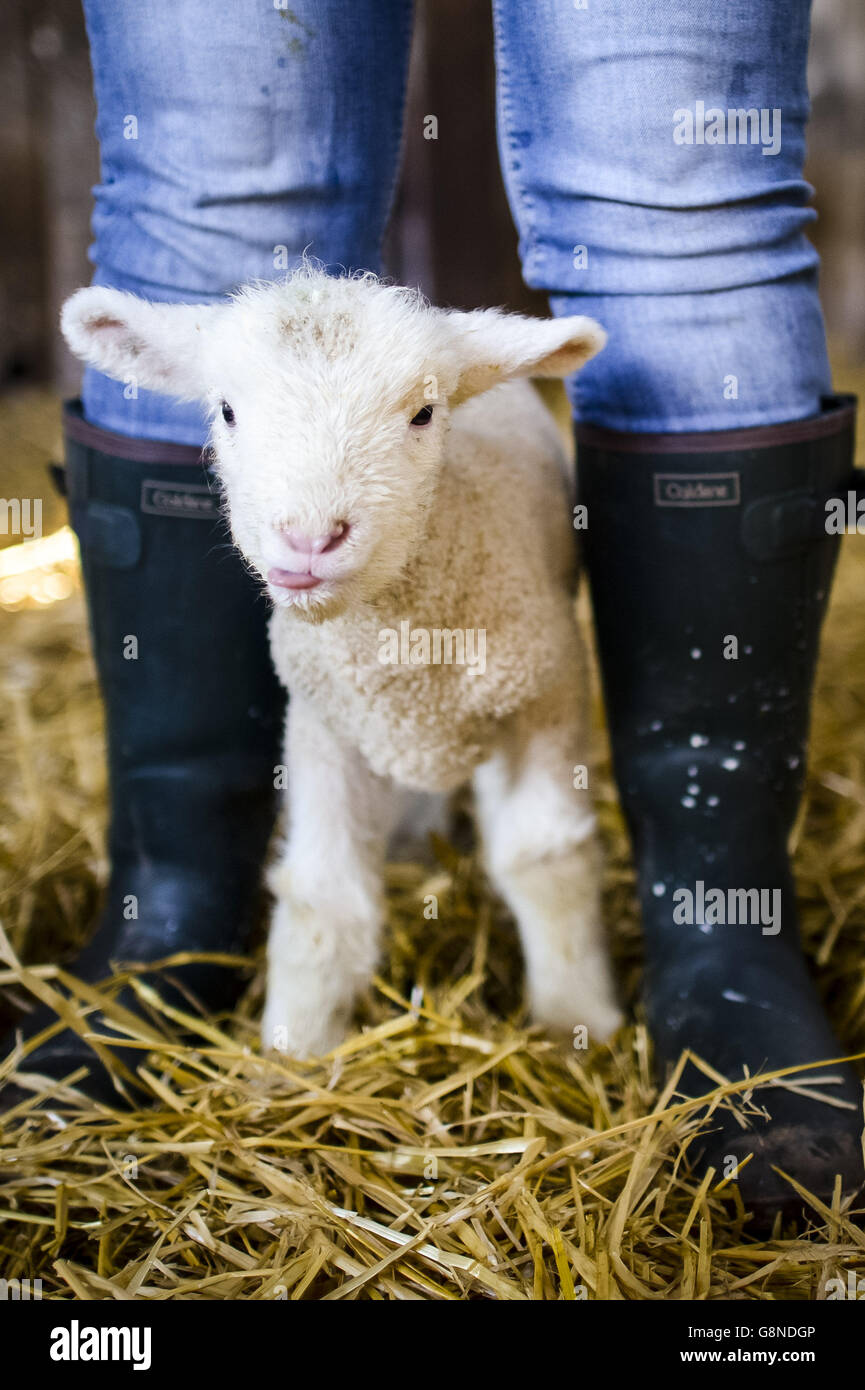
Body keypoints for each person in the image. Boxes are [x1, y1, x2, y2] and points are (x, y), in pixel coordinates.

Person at [7, 1, 862, 1218]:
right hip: (343, 631)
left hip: (491, 594)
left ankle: (719, 929)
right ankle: (178, 913)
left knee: (680, 181)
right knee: (216, 188)